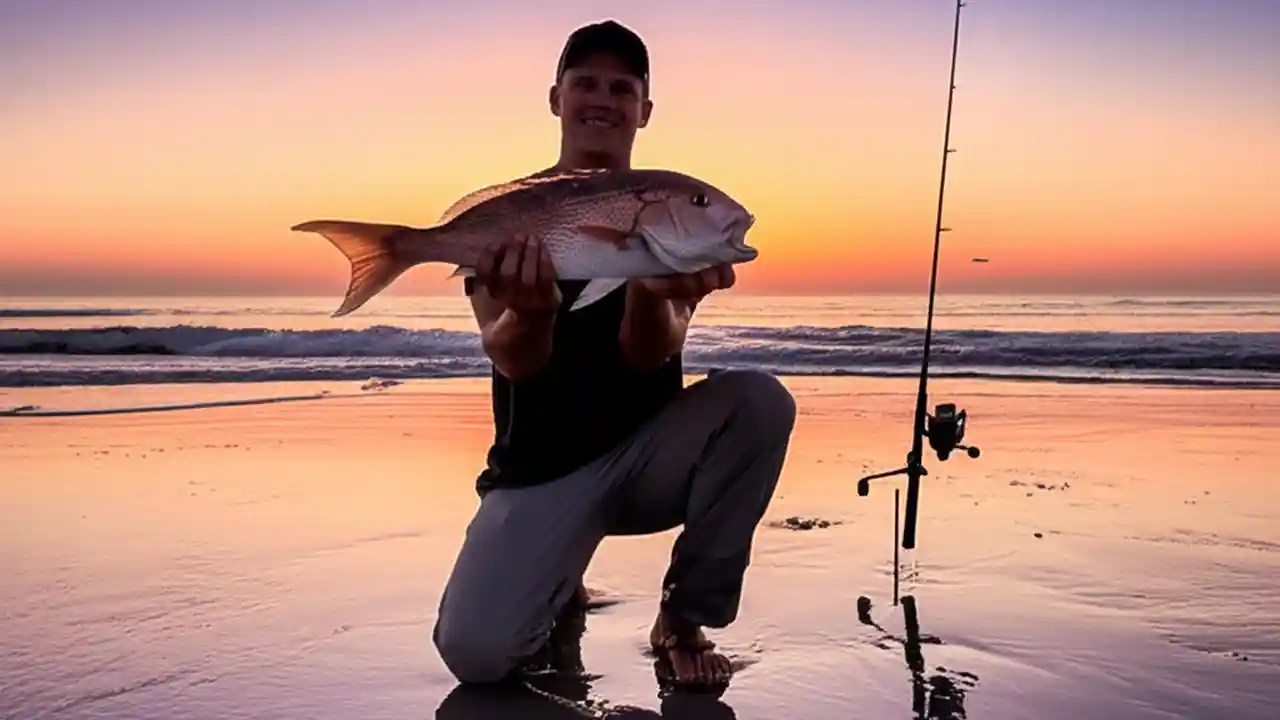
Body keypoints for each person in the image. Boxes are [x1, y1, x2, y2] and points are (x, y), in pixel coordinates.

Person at [431, 18, 796, 690]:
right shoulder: (514, 214)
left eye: (622, 89)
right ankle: (558, 573)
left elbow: (646, 353)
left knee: (760, 402)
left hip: (647, 462)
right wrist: (535, 310)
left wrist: (652, 293)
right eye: (586, 83)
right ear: (556, 97)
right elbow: (509, 355)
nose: (603, 99)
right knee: (476, 655)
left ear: (644, 110)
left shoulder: (677, 238)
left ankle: (683, 619)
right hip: (540, 472)